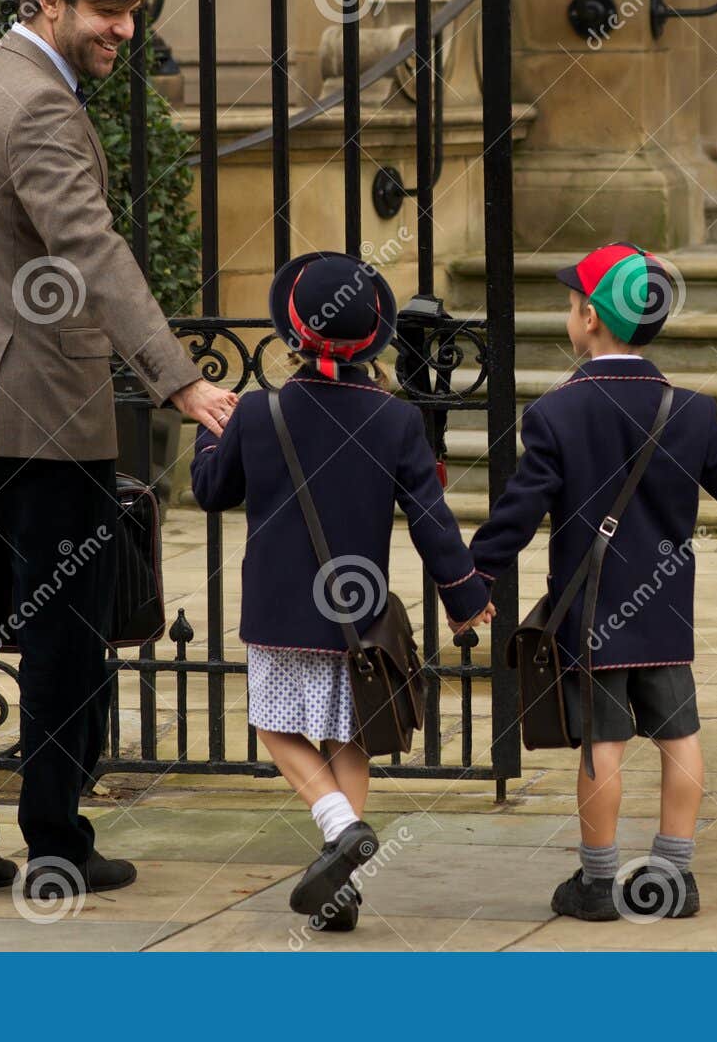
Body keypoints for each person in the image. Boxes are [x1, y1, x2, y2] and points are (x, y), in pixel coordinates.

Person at [0, 0, 236, 902]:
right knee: (62, 635)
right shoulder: (43, 107)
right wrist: (177, 376)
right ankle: (56, 838)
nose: (126, 29)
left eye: (132, 9)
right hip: (40, 411)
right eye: (108, 10)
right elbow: (90, 250)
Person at [469, 243, 717, 921]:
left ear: (589, 319)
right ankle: (675, 875)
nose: (570, 314)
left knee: (602, 743)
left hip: (592, 614)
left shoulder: (556, 414)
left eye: (574, 304)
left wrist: (473, 582)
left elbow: (517, 514)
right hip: (665, 610)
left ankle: (598, 882)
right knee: (679, 736)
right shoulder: (688, 410)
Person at [190, 251, 494, 933]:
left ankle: (338, 826)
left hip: (277, 608)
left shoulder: (261, 412)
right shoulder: (395, 420)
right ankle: (341, 886)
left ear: (293, 336)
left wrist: (210, 437)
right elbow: (430, 519)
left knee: (275, 724)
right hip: (355, 613)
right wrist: (465, 594)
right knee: (345, 737)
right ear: (374, 340)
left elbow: (211, 491)